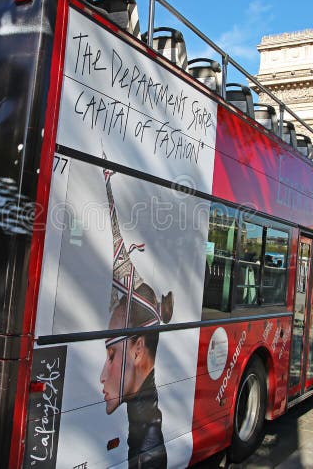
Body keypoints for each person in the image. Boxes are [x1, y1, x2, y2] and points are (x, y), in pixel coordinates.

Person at [99, 168, 172, 468]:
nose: (102, 375)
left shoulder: (147, 452)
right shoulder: (147, 439)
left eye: (112, 354)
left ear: (138, 349)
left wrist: (107, 188)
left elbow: (116, 245)